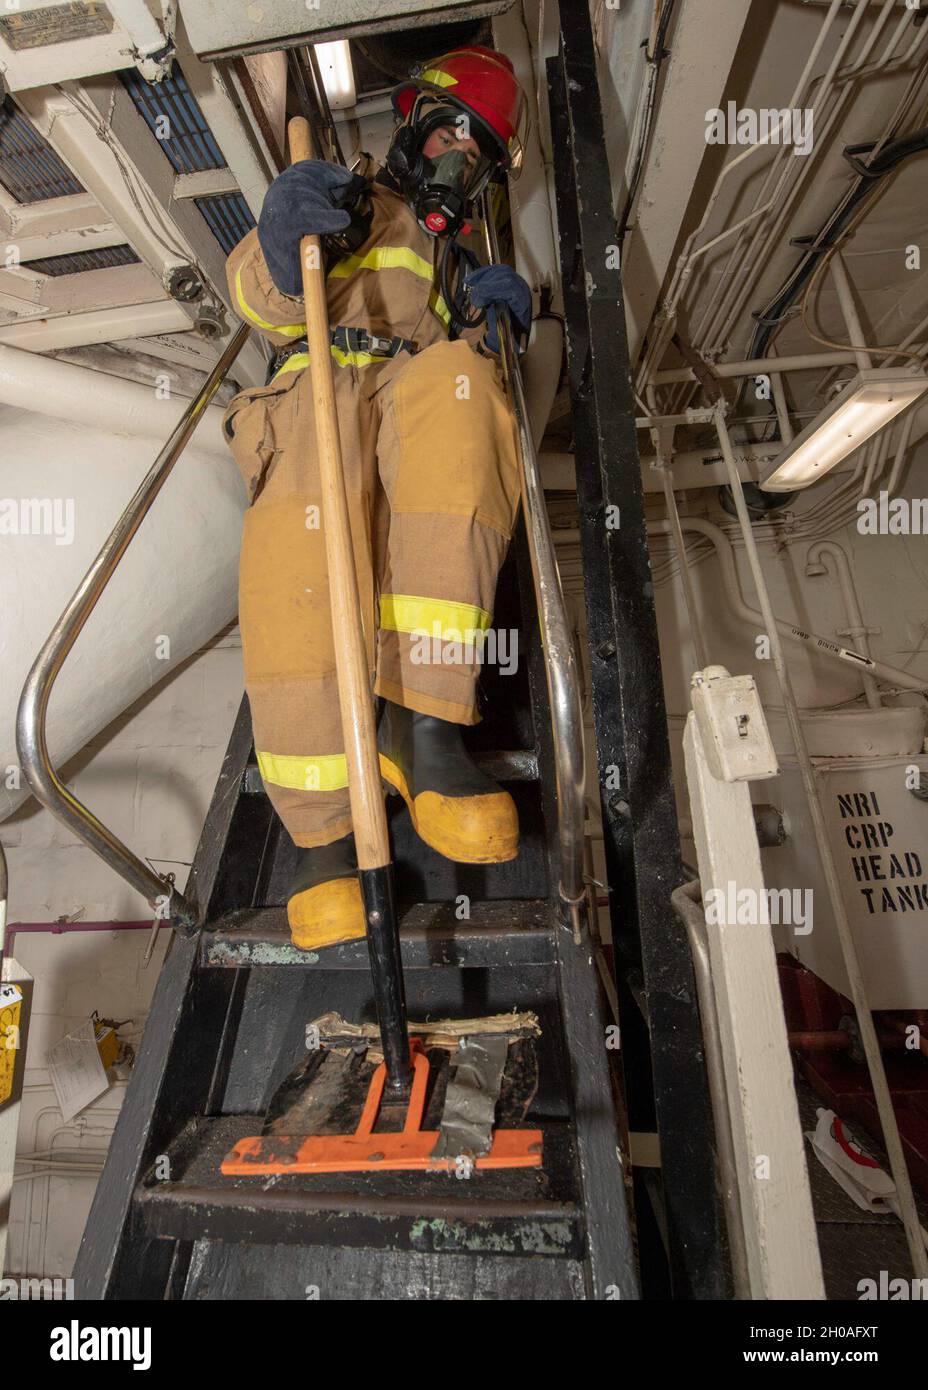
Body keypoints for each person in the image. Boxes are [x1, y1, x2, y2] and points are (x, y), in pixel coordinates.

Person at [222, 46, 533, 950]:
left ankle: (424, 725)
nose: (455, 154)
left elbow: (490, 390)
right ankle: (324, 837)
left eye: (475, 149)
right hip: (320, 382)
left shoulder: (458, 255)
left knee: (468, 394)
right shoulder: (345, 191)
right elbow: (259, 297)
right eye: (446, 130)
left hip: (416, 404)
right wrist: (289, 239)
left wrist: (495, 323)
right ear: (409, 121)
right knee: (301, 581)